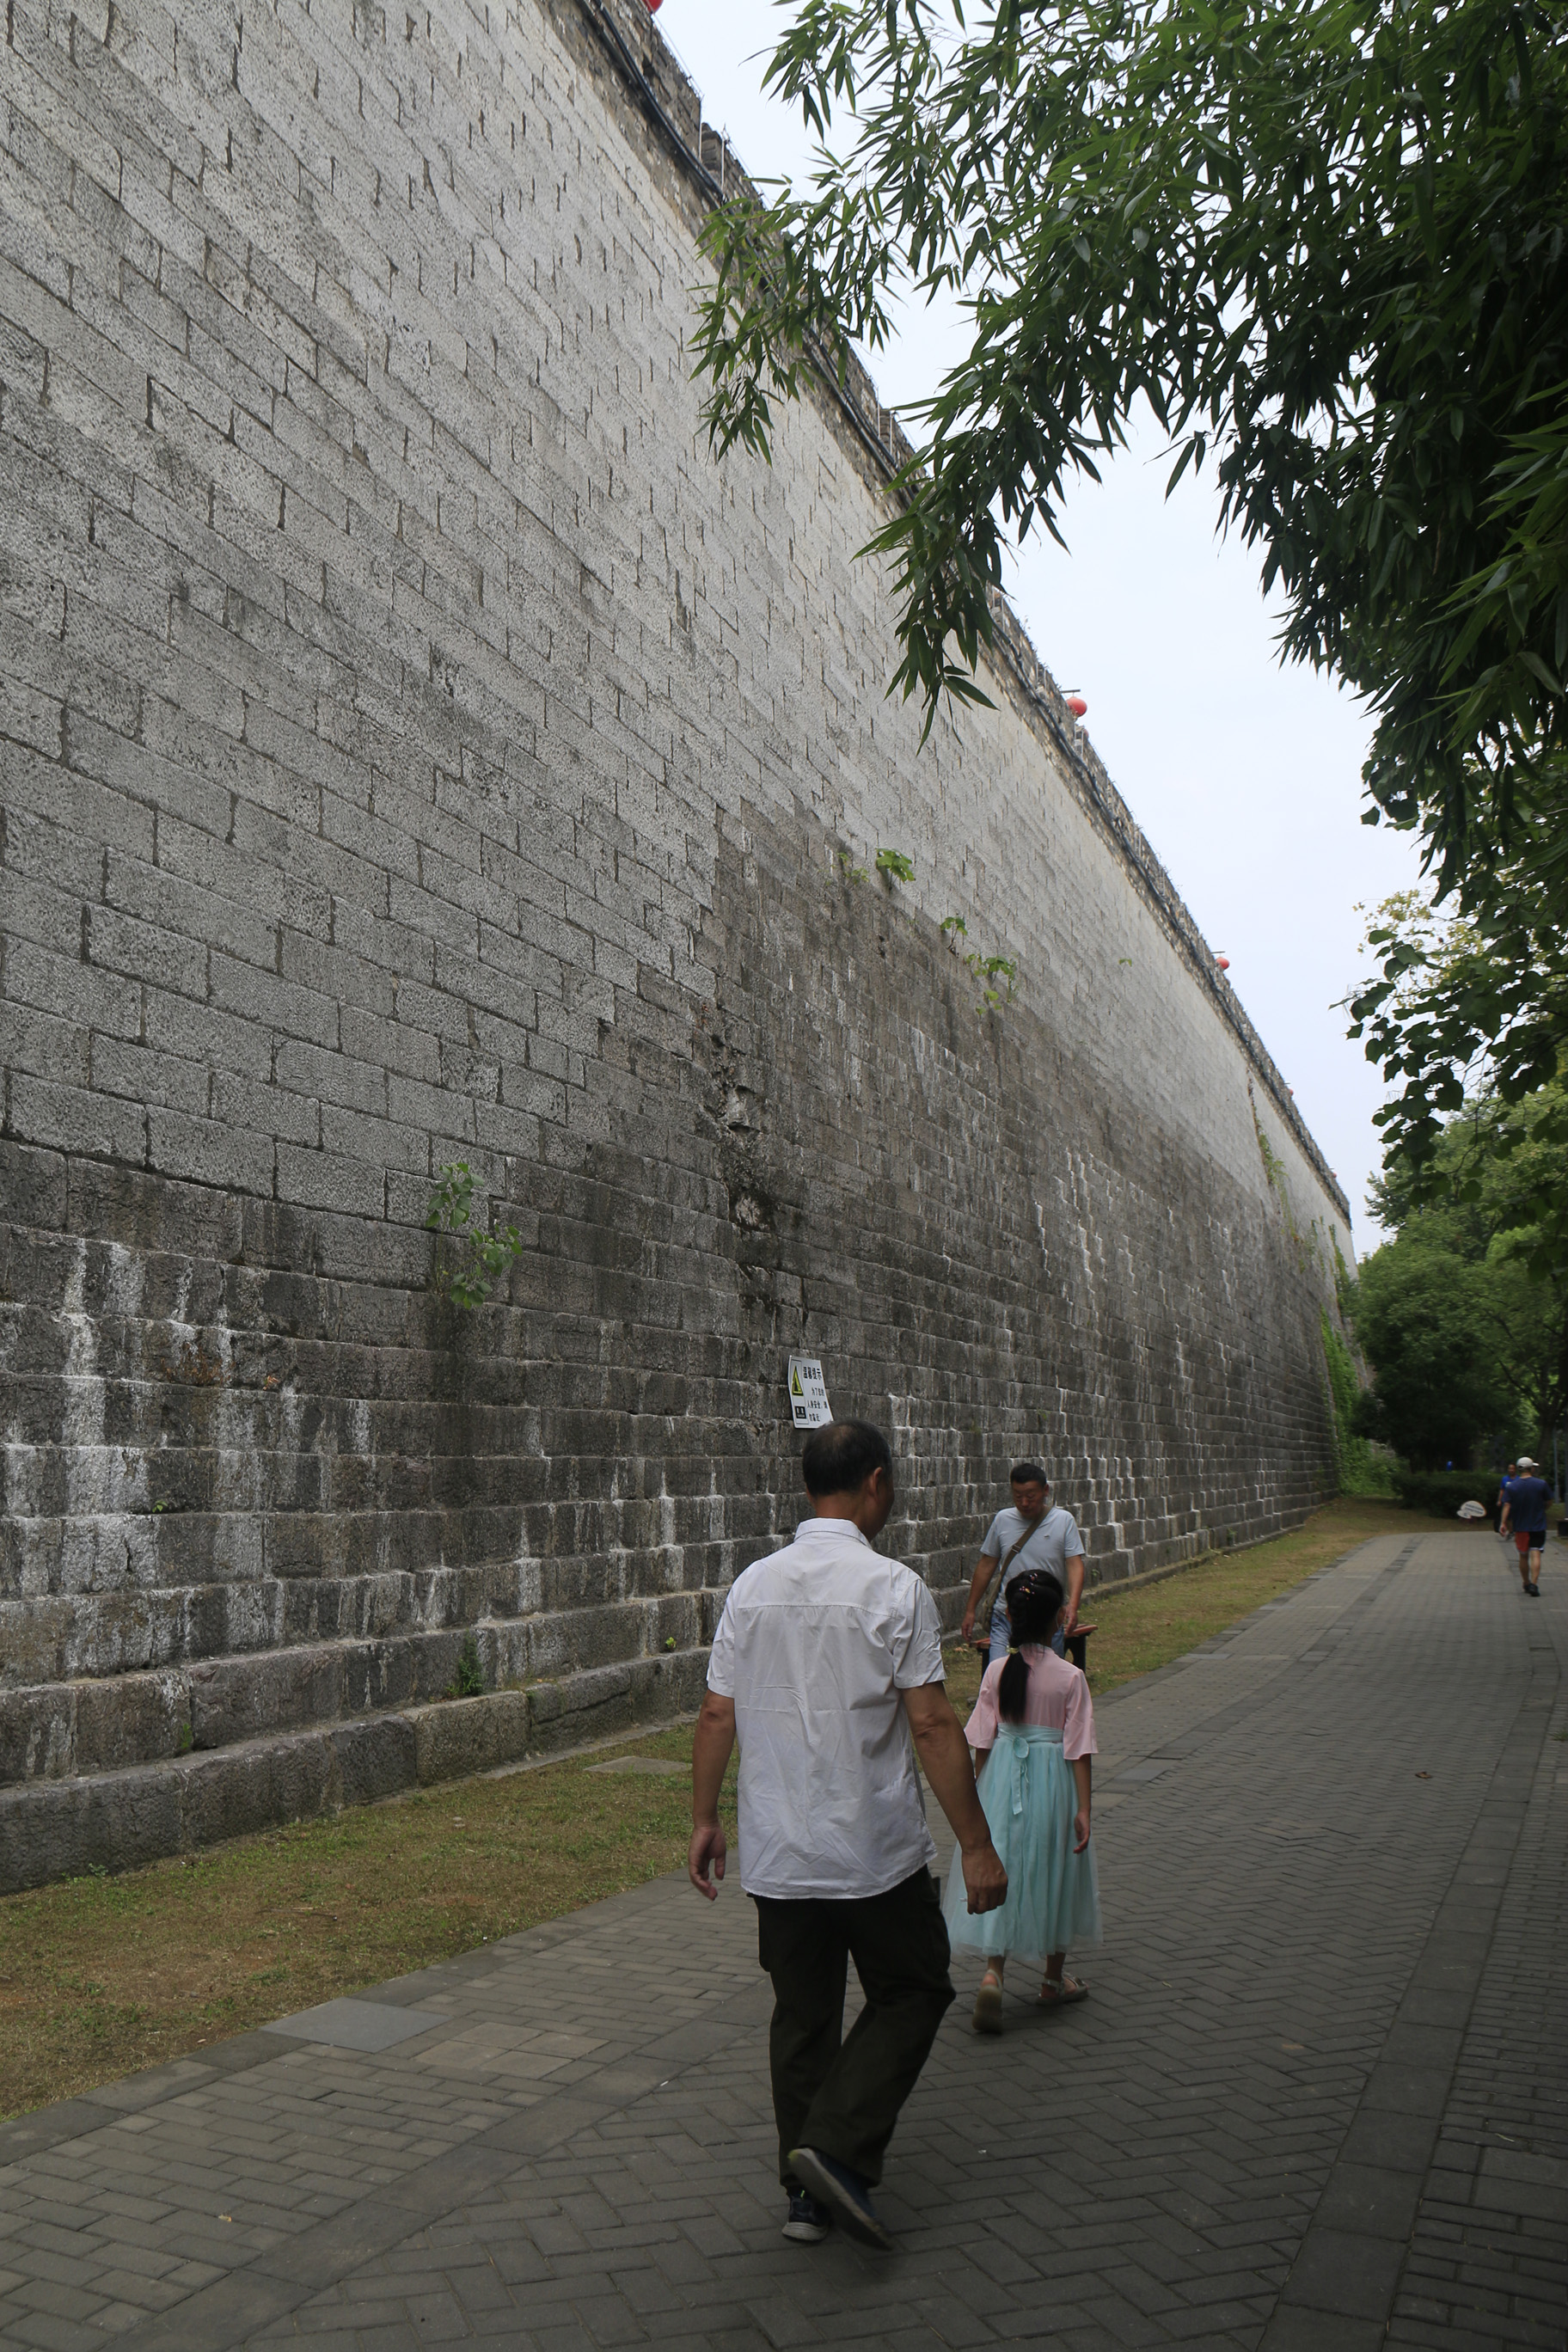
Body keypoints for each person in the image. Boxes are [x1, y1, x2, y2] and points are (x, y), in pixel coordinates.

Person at [688, 1418, 1008, 2252]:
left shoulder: (752, 1587)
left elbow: (717, 1712)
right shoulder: (894, 1588)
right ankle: (834, 2147)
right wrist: (976, 1844)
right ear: (876, 1483)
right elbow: (932, 1724)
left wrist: (705, 1819)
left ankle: (805, 2197)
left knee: (802, 2019)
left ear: (807, 1489)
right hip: (873, 1850)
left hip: (780, 1851)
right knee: (916, 1986)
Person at [943, 1568, 1102, 2030]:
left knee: (1005, 1861)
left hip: (1002, 1780)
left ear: (1010, 1617)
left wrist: (980, 1793)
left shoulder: (997, 1671)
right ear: (1058, 1619)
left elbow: (982, 1741)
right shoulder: (1071, 1677)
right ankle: (1052, 1979)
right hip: (1054, 1784)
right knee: (1054, 1866)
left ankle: (994, 1971)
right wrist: (1084, 1808)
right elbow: (1079, 1749)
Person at [959, 1462, 1087, 1666]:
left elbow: (1074, 1564)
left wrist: (1073, 1605)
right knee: (1000, 1673)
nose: (1024, 1503)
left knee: (1047, 1677)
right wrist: (970, 1610)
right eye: (1018, 1496)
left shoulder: (1063, 1521)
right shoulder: (1003, 1519)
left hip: (1047, 1619)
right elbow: (986, 1565)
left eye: (1030, 1496)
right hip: (1007, 1615)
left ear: (1045, 1491)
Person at [1499, 1455, 1550, 1596]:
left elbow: (1507, 1505)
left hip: (1521, 1526)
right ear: (1531, 1468)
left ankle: (1526, 1583)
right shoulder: (1541, 1484)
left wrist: (1503, 1523)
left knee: (1523, 1556)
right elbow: (1549, 1501)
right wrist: (1543, 1509)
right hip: (1538, 1525)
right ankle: (1534, 1584)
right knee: (1536, 1554)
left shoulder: (1512, 1486)